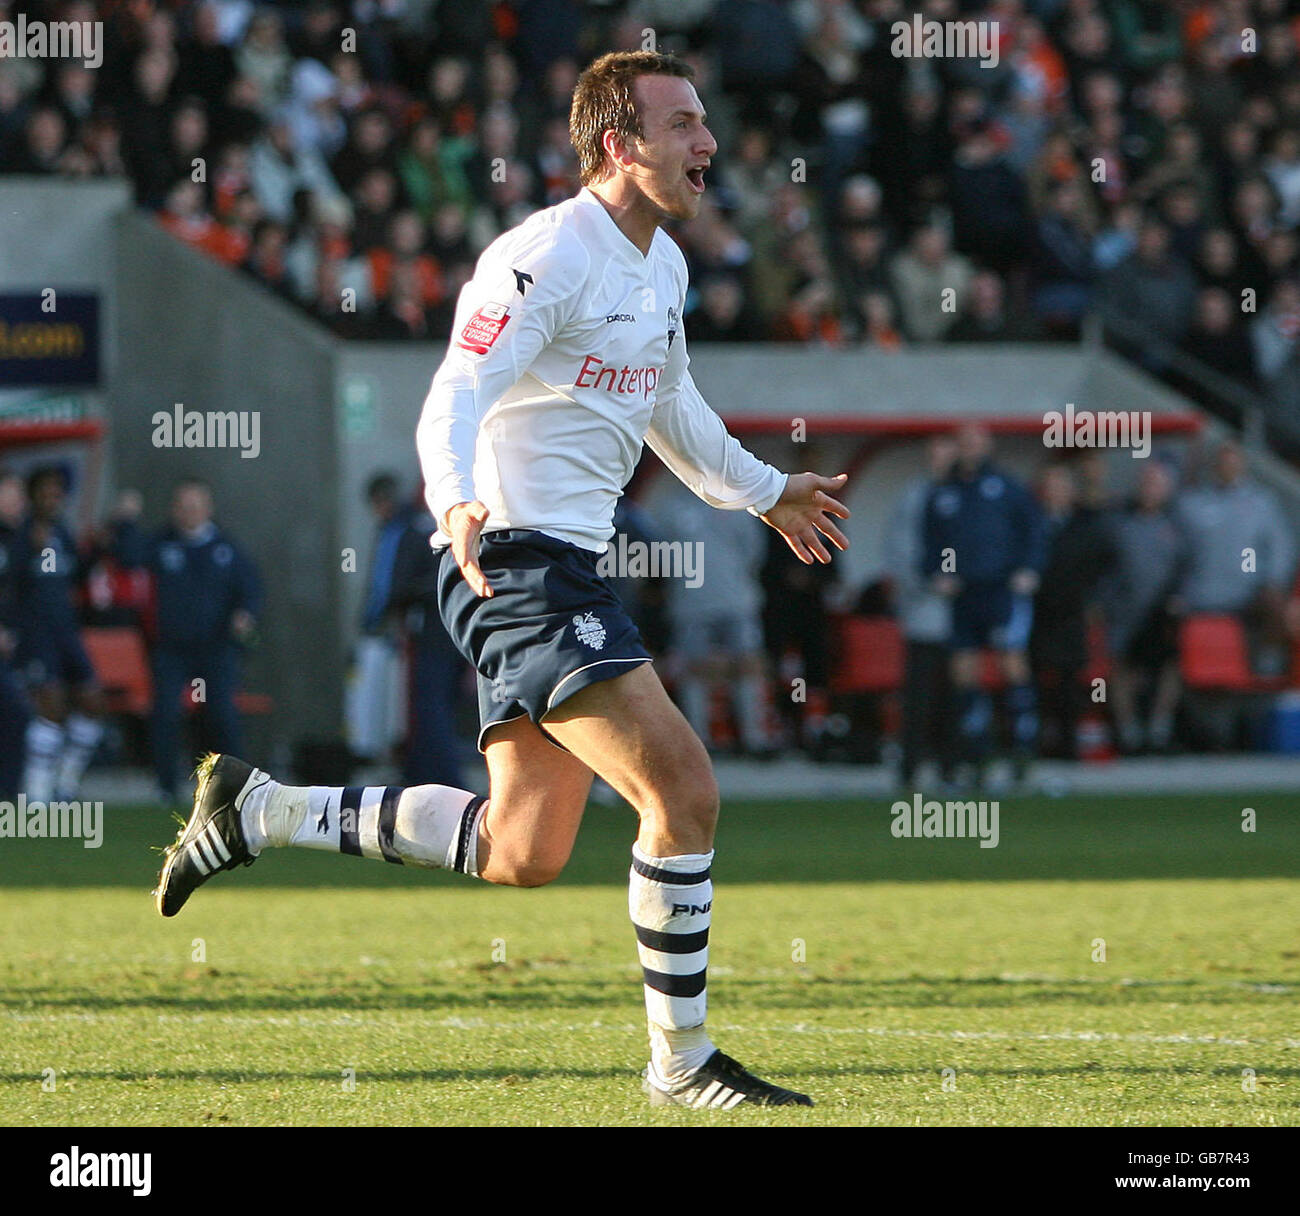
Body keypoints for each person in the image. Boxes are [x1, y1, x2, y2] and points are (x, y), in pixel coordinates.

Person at [154, 51, 849, 1110]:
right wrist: (453, 499)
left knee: (522, 849)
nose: (708, 143)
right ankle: (684, 1062)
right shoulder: (545, 255)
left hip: (566, 568)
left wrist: (763, 490)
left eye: (705, 122)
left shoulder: (659, 267)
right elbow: (457, 389)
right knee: (684, 791)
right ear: (618, 144)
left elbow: (672, 409)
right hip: (513, 560)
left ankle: (261, 812)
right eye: (683, 125)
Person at [114, 480, 261, 801]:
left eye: (195, 506)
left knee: (222, 714)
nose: (189, 513)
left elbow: (250, 589)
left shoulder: (227, 549)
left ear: (207, 509)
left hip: (216, 648)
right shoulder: (161, 544)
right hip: (171, 649)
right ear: (173, 510)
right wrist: (125, 521)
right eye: (183, 506)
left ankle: (235, 788)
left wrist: (245, 614)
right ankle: (167, 785)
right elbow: (127, 557)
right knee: (165, 713)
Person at [924, 426, 1045, 783]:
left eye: (976, 442)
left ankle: (1023, 743)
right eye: (964, 443)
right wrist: (939, 572)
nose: (970, 449)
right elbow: (932, 542)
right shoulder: (943, 492)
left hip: (1001, 588)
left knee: (1011, 661)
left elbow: (1033, 530)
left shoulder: (1007, 487)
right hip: (963, 593)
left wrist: (1029, 568)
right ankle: (977, 749)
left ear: (988, 446)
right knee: (963, 668)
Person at [12, 466, 105, 804]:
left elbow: (75, 575)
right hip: (34, 633)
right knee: (48, 704)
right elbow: (11, 584)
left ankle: (66, 780)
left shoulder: (62, 534)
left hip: (66, 630)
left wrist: (97, 548)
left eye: (57, 493)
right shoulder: (19, 535)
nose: (52, 498)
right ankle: (36, 790)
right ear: (31, 496)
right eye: (45, 492)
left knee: (93, 700)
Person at [1029, 464, 1118, 760]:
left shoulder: (1087, 527)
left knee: (1071, 680)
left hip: (1073, 612)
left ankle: (1069, 745)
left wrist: (1094, 600)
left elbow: (1105, 567)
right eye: (1051, 487)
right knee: (1036, 679)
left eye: (1062, 487)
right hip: (1037, 612)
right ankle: (1038, 743)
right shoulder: (1032, 525)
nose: (1056, 494)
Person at [883, 434, 955, 787]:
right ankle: (910, 767)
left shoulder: (969, 496)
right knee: (920, 692)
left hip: (962, 615)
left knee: (954, 692)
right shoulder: (916, 497)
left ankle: (952, 765)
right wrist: (927, 582)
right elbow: (900, 550)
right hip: (924, 611)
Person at [0, 470, 29, 801]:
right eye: (10, 496)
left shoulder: (21, 540)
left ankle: (9, 793)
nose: (17, 504)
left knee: (15, 713)